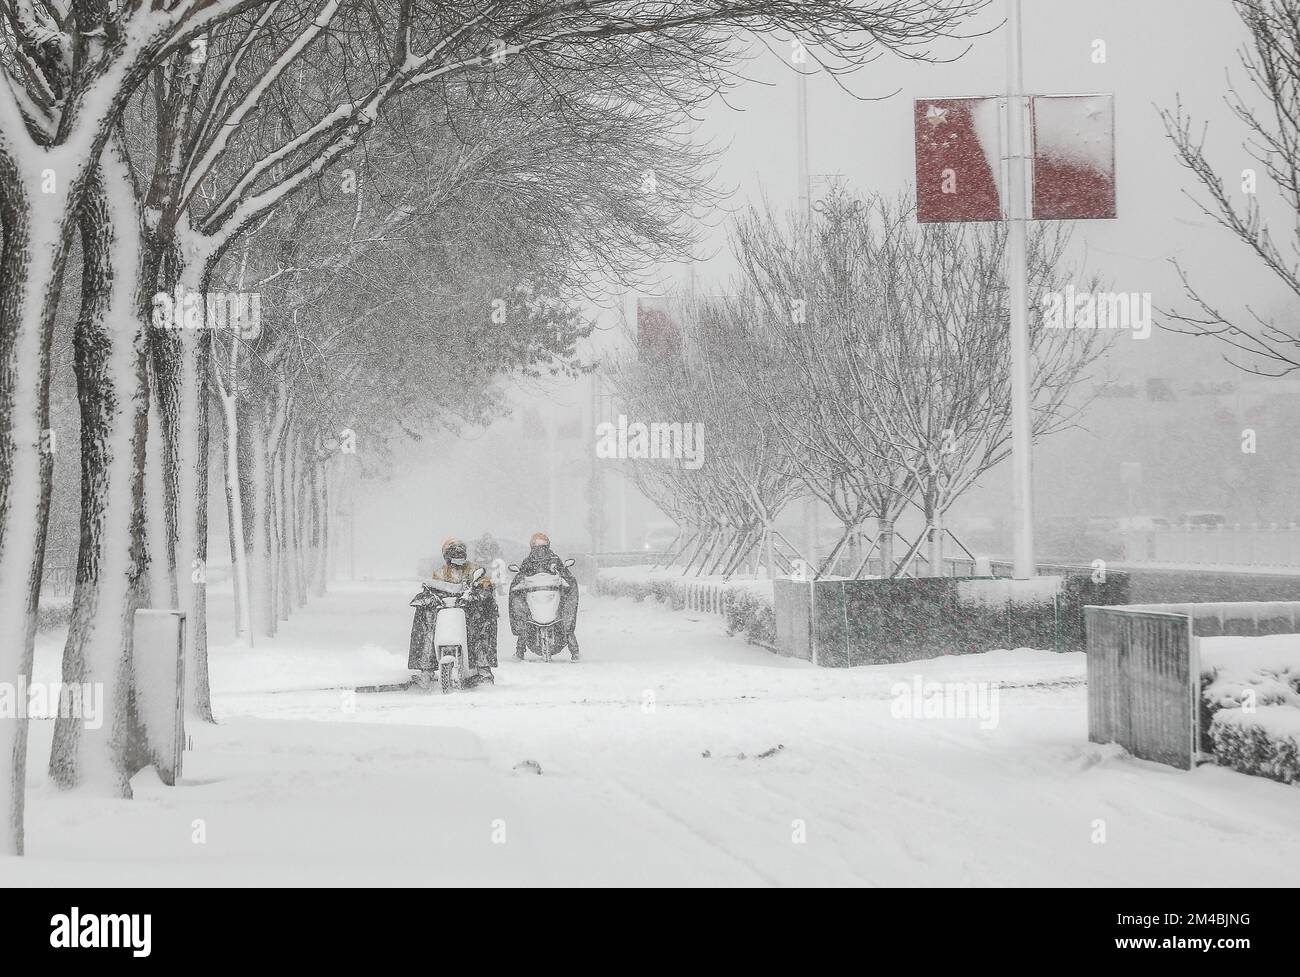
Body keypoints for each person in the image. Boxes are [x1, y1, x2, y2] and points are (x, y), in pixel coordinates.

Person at [408, 537, 498, 687]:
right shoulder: (440, 573)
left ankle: (484, 670)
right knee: (427, 626)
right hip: (446, 610)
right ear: (446, 555)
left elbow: (485, 584)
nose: (457, 556)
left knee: (481, 628)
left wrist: (477, 593)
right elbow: (433, 588)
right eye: (453, 553)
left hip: (469, 611)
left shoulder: (474, 569)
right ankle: (426, 670)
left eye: (459, 552)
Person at [509, 532, 580, 661]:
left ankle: (574, 651)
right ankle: (520, 651)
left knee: (566, 618)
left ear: (547, 546)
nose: (540, 549)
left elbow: (565, 574)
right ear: (532, 547)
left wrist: (565, 582)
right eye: (537, 546)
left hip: (553, 594)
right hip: (534, 595)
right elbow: (521, 576)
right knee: (523, 618)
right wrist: (519, 585)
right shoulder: (528, 561)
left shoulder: (554, 559)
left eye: (543, 546)